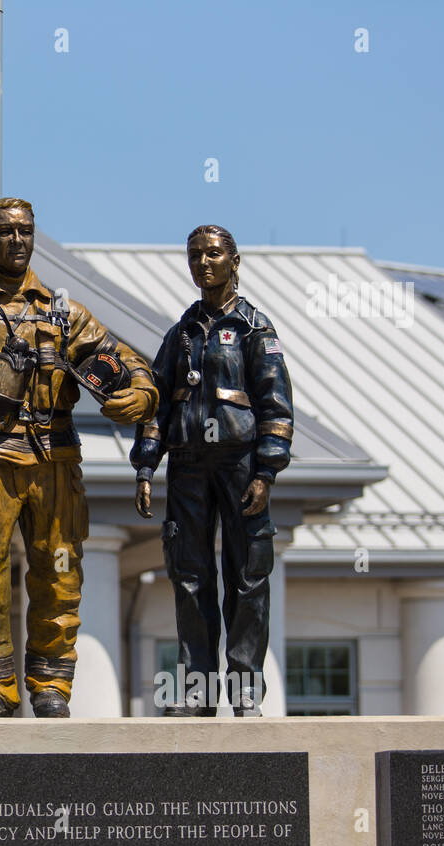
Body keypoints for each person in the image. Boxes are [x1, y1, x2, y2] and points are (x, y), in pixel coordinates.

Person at [0, 197, 158, 717]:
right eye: (5, 231)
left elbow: (126, 364)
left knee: (59, 571)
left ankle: (51, 686)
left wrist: (140, 394)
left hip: (55, 463)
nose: (17, 240)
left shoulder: (63, 312)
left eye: (26, 230)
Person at [130, 225, 294, 716]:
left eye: (214, 253)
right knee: (190, 577)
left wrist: (266, 472)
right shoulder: (180, 334)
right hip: (187, 468)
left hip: (240, 465)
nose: (204, 262)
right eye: (195, 254)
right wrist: (145, 466)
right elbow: (156, 403)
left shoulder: (254, 330)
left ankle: (245, 693)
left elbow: (277, 408)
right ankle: (196, 694)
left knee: (248, 577)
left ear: (234, 261)